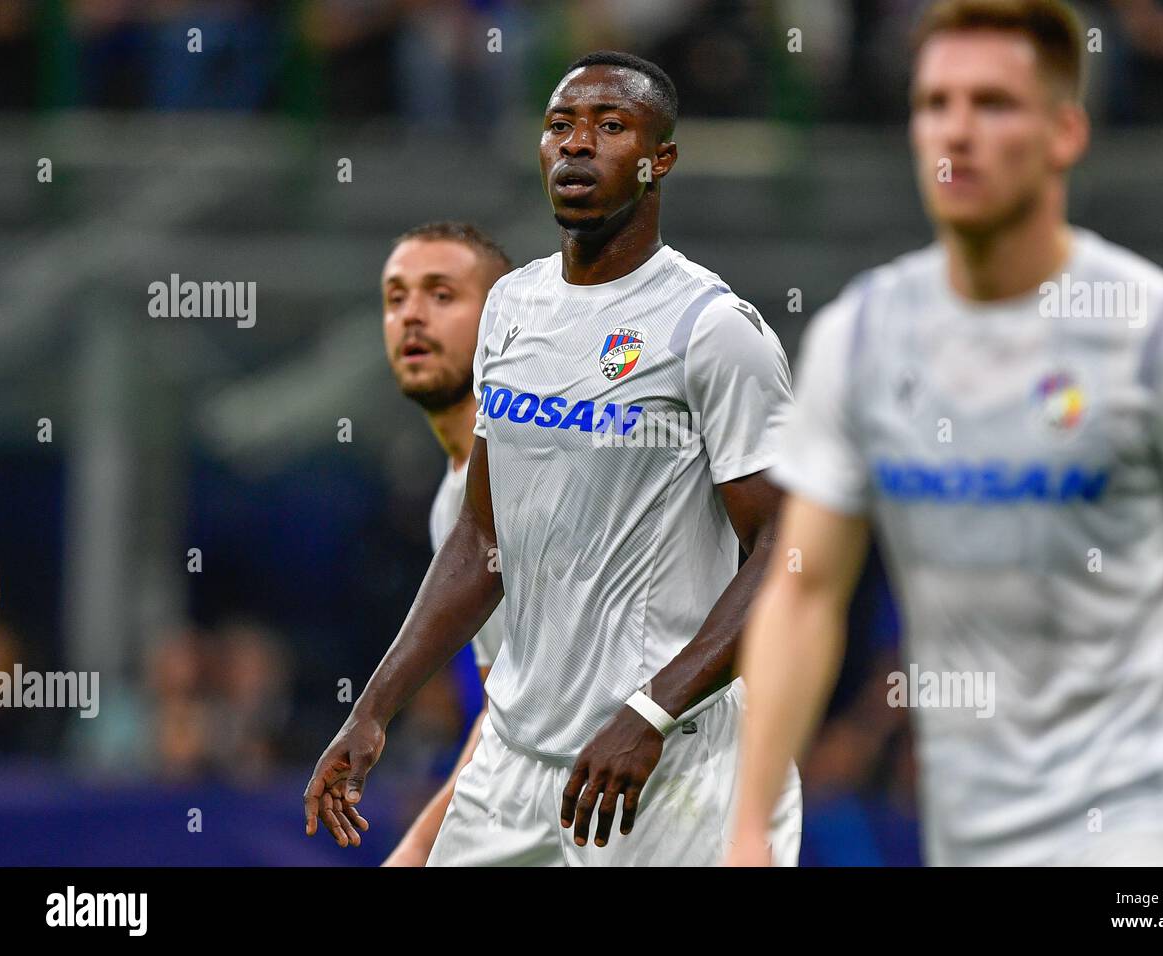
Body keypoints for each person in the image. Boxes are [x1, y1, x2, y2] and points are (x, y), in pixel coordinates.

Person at [731, 0, 1163, 866]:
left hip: (1158, 824)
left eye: (993, 104)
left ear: (1066, 132)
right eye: (935, 105)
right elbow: (806, 594)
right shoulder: (862, 337)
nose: (957, 132)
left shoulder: (1162, 333)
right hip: (971, 833)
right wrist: (749, 823)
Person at [306, 51, 802, 865]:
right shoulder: (512, 306)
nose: (577, 146)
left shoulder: (711, 329)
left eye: (611, 127)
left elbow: (789, 550)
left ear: (659, 160)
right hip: (512, 762)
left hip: (658, 765)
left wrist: (654, 712)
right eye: (560, 126)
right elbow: (479, 539)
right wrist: (374, 708)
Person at [377, 222, 511, 865]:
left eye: (441, 295)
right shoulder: (450, 504)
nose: (411, 316)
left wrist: (419, 848)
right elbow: (505, 718)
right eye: (396, 297)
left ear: (503, 319)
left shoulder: (541, 460)